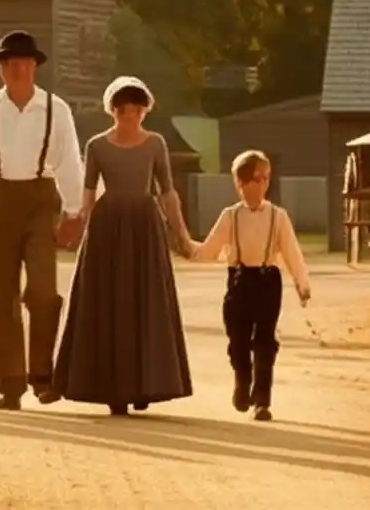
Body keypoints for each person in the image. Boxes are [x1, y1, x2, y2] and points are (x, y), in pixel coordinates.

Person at [0, 31, 84, 411]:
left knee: (43, 290)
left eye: (23, 64)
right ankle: (10, 382)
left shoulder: (55, 109)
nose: (17, 71)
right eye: (9, 65)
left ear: (35, 67)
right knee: (0, 293)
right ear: (0, 69)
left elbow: (69, 161)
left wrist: (74, 211)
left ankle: (42, 373)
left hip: (41, 197)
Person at [46, 76, 193, 416]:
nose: (132, 117)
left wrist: (182, 234)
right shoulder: (97, 146)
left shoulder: (155, 144)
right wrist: (77, 224)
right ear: (114, 111)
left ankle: (148, 383)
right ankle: (113, 388)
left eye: (139, 111)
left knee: (147, 302)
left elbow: (167, 191)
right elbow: (87, 192)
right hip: (108, 227)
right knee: (108, 305)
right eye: (126, 111)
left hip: (145, 225)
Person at [183, 150, 312, 422]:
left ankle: (262, 400)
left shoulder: (278, 216)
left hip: (268, 281)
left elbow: (291, 252)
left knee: (265, 341)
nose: (263, 184)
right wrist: (186, 246)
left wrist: (302, 283)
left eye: (267, 178)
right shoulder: (230, 216)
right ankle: (243, 381)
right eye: (257, 178)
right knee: (238, 339)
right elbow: (210, 249)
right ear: (240, 183)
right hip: (240, 281)